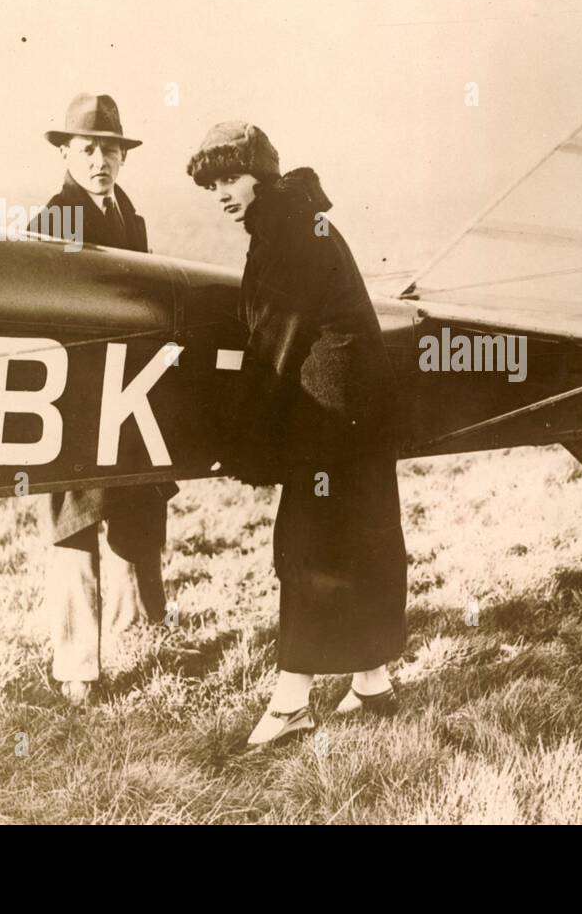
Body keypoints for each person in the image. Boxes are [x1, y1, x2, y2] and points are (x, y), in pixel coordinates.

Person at [186, 121, 407, 748]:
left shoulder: (285, 231)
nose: (222, 194)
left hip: (330, 422)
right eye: (214, 184)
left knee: (308, 554)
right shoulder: (301, 219)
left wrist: (242, 440)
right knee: (356, 544)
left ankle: (290, 705)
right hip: (355, 419)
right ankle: (371, 684)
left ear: (261, 173)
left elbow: (275, 343)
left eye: (230, 179)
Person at [30, 92, 177, 706]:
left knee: (138, 513)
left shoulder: (129, 216)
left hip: (128, 394)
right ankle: (77, 668)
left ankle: (139, 636)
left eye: (111, 151)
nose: (100, 162)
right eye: (88, 149)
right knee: (74, 525)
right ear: (67, 152)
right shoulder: (53, 219)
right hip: (70, 401)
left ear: (123, 158)